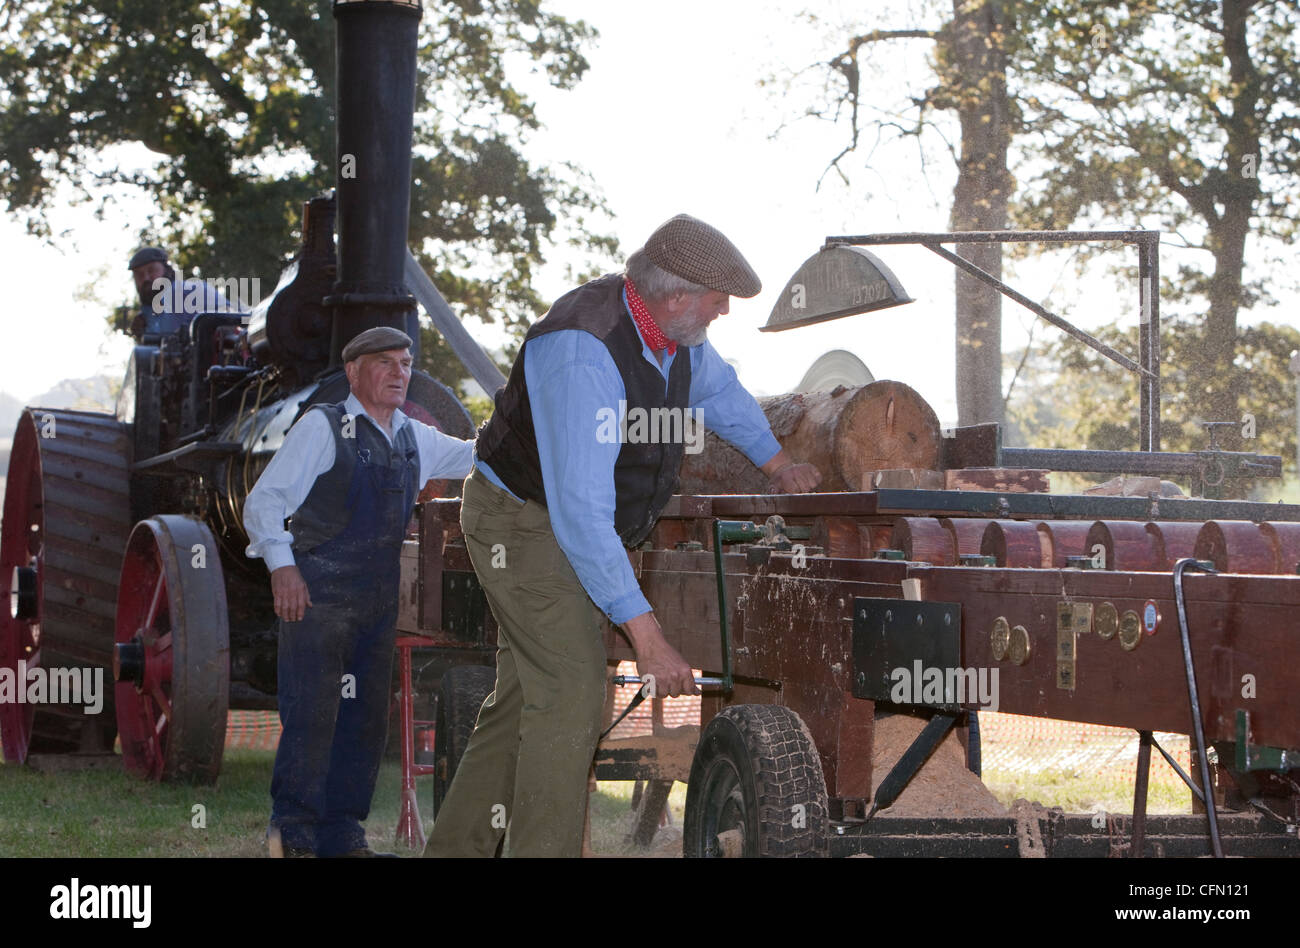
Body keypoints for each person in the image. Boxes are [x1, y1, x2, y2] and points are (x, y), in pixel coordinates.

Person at [423, 213, 821, 858]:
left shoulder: (674, 336)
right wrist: (649, 638)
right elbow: (579, 512)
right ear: (677, 295)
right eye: (718, 301)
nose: (724, 311)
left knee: (523, 699)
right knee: (573, 697)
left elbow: (721, 394)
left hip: (569, 522)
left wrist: (777, 464)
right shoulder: (582, 350)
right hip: (522, 522)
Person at [243, 326, 475, 857]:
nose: (400, 373)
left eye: (406, 362)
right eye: (386, 363)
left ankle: (344, 836)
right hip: (317, 595)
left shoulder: (414, 436)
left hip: (375, 600)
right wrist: (283, 568)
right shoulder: (322, 428)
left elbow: (474, 459)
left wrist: (522, 432)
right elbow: (264, 502)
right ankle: (292, 836)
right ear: (354, 372)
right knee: (312, 714)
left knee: (364, 719)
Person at [126, 246, 236, 337]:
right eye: (139, 275)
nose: (146, 278)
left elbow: (234, 320)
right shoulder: (145, 318)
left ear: (167, 270)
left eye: (152, 270)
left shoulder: (191, 291)